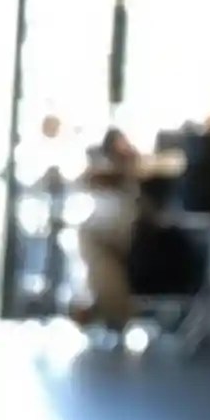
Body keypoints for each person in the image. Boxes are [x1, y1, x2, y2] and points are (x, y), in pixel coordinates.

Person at [73, 128, 141, 329]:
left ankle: (111, 306)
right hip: (113, 228)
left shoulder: (135, 164)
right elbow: (86, 180)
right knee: (95, 246)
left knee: (90, 239)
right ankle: (111, 305)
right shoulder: (103, 171)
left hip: (134, 228)